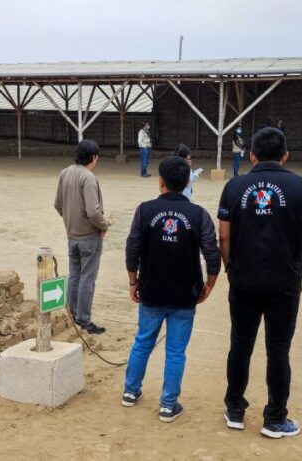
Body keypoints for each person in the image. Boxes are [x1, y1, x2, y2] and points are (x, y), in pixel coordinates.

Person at [217, 127, 302, 439]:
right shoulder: (301, 185)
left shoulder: (234, 186)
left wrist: (230, 266)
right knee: (278, 350)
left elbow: (224, 235)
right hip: (284, 281)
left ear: (251, 155)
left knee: (240, 347)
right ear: (285, 155)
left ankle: (234, 409)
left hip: (243, 279)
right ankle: (274, 418)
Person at [122, 155, 221, 423]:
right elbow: (213, 254)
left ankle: (130, 392)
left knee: (143, 341)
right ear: (188, 182)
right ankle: (168, 404)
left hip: (151, 290)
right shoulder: (198, 215)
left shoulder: (144, 210)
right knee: (176, 351)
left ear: (161, 183)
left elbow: (132, 249)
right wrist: (209, 285)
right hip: (184, 293)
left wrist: (133, 281)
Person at [54, 139, 111, 334]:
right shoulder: (88, 178)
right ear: (94, 158)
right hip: (89, 236)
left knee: (74, 276)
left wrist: (70, 218)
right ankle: (84, 319)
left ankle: (72, 312)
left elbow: (58, 204)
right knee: (87, 278)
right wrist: (105, 224)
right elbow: (93, 212)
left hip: (72, 234)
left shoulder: (65, 172)